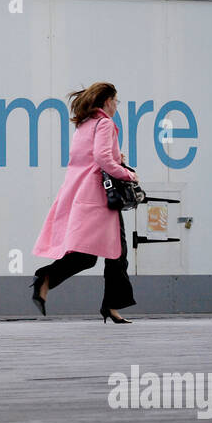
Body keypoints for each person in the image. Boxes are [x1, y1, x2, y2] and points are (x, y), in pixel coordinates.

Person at [29, 82, 138, 324]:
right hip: (99, 198)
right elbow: (101, 159)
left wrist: (116, 159)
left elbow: (87, 159)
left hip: (80, 194)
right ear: (107, 101)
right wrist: (128, 173)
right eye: (116, 101)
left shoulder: (84, 126)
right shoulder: (105, 124)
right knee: (115, 251)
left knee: (93, 254)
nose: (116, 107)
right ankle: (107, 303)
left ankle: (47, 280)